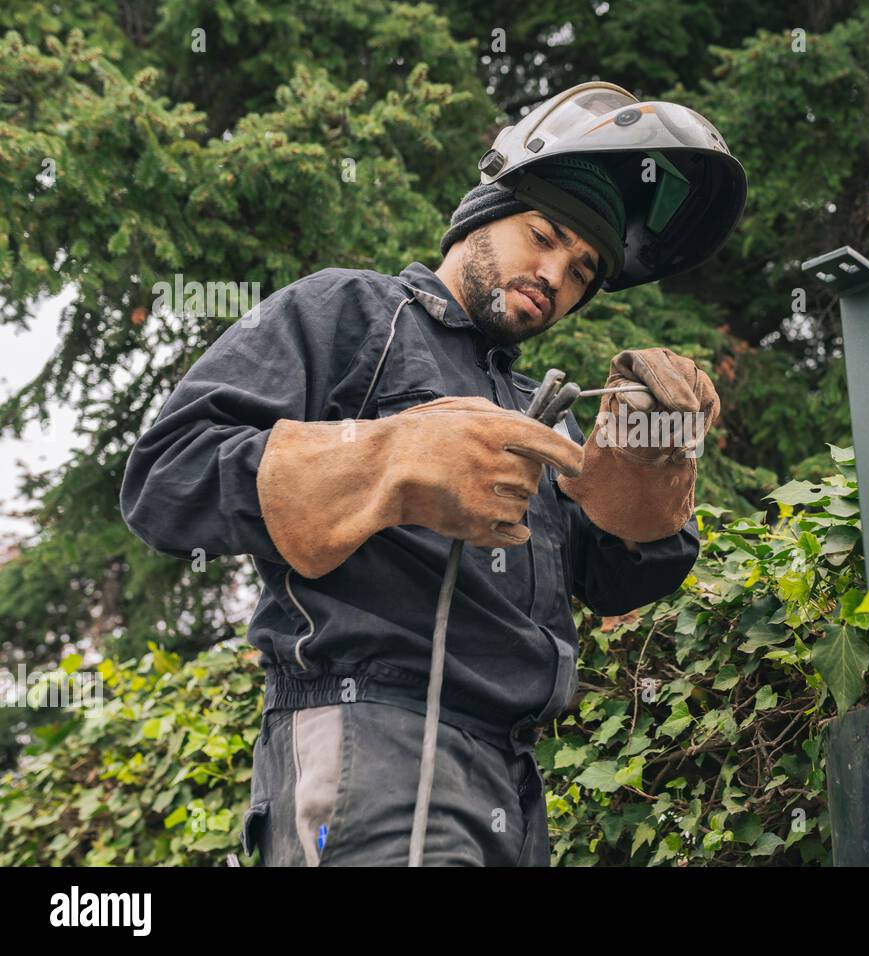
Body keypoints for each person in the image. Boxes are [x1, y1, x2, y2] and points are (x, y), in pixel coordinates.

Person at [119, 81, 746, 866]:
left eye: (583, 270)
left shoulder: (538, 409)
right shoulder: (348, 313)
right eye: (543, 235)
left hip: (511, 775)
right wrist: (390, 457)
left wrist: (654, 466)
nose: (555, 277)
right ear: (481, 215)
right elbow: (165, 478)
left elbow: (612, 578)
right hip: (371, 739)